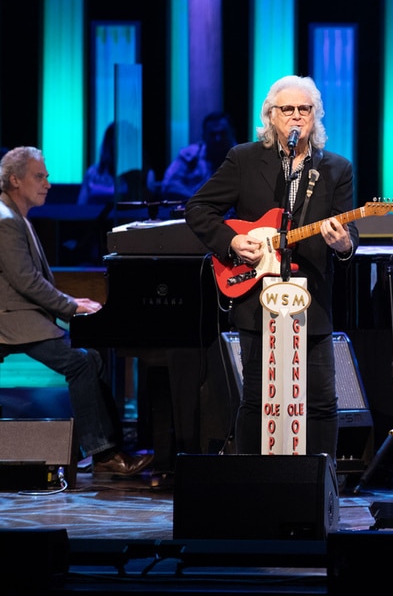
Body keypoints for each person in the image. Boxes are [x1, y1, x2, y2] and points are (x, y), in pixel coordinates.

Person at [185, 75, 359, 457]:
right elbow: (198, 208)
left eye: (304, 109)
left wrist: (344, 244)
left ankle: (322, 481)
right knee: (256, 397)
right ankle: (253, 481)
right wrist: (231, 242)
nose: (296, 116)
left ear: (315, 116)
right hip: (255, 294)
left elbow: (349, 233)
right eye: (288, 109)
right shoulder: (244, 159)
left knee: (321, 400)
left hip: (311, 299)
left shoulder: (336, 168)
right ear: (271, 116)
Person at [0, 146, 154, 476]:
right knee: (80, 361)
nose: (47, 184)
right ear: (15, 180)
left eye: (46, 176)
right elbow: (26, 281)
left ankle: (105, 450)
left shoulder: (15, 216)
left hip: (23, 314)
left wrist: (72, 303)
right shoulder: (6, 221)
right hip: (10, 319)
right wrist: (71, 306)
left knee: (92, 358)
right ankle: (103, 455)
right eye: (39, 177)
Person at [159, 112, 237, 201]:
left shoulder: (242, 156)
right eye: (212, 134)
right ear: (203, 136)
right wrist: (200, 200)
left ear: (233, 133)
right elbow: (169, 185)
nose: (217, 139)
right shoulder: (189, 155)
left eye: (223, 133)